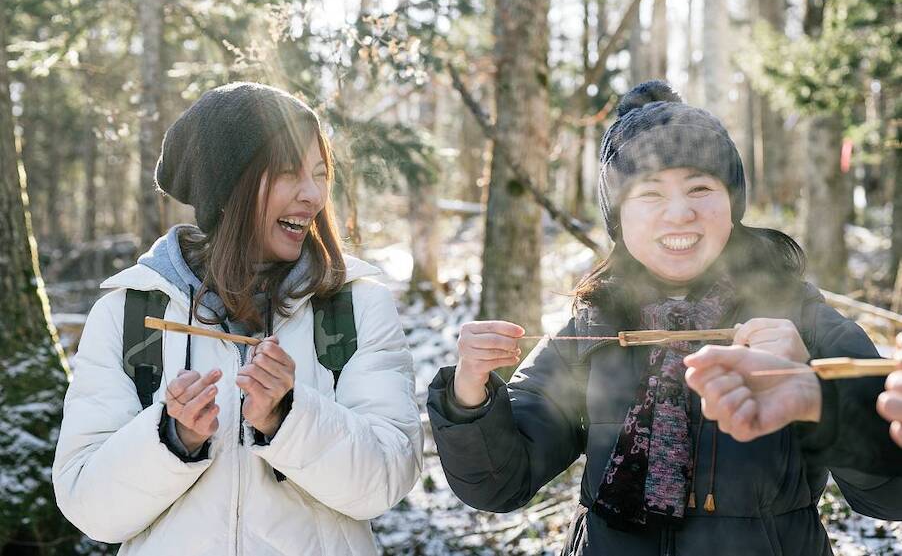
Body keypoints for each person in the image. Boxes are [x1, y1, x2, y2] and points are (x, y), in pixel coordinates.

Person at [427, 80, 902, 556]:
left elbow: (888, 494)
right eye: (650, 194)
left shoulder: (802, 322)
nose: (679, 214)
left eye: (700, 188)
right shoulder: (594, 326)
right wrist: (470, 395)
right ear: (619, 218)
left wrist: (817, 396)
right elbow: (500, 485)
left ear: (731, 205)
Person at [53, 82, 423, 555]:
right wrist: (172, 438)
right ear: (227, 188)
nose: (313, 194)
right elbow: (88, 505)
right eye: (289, 173)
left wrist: (288, 416)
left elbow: (386, 480)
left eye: (319, 172)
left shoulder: (354, 306)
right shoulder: (130, 313)